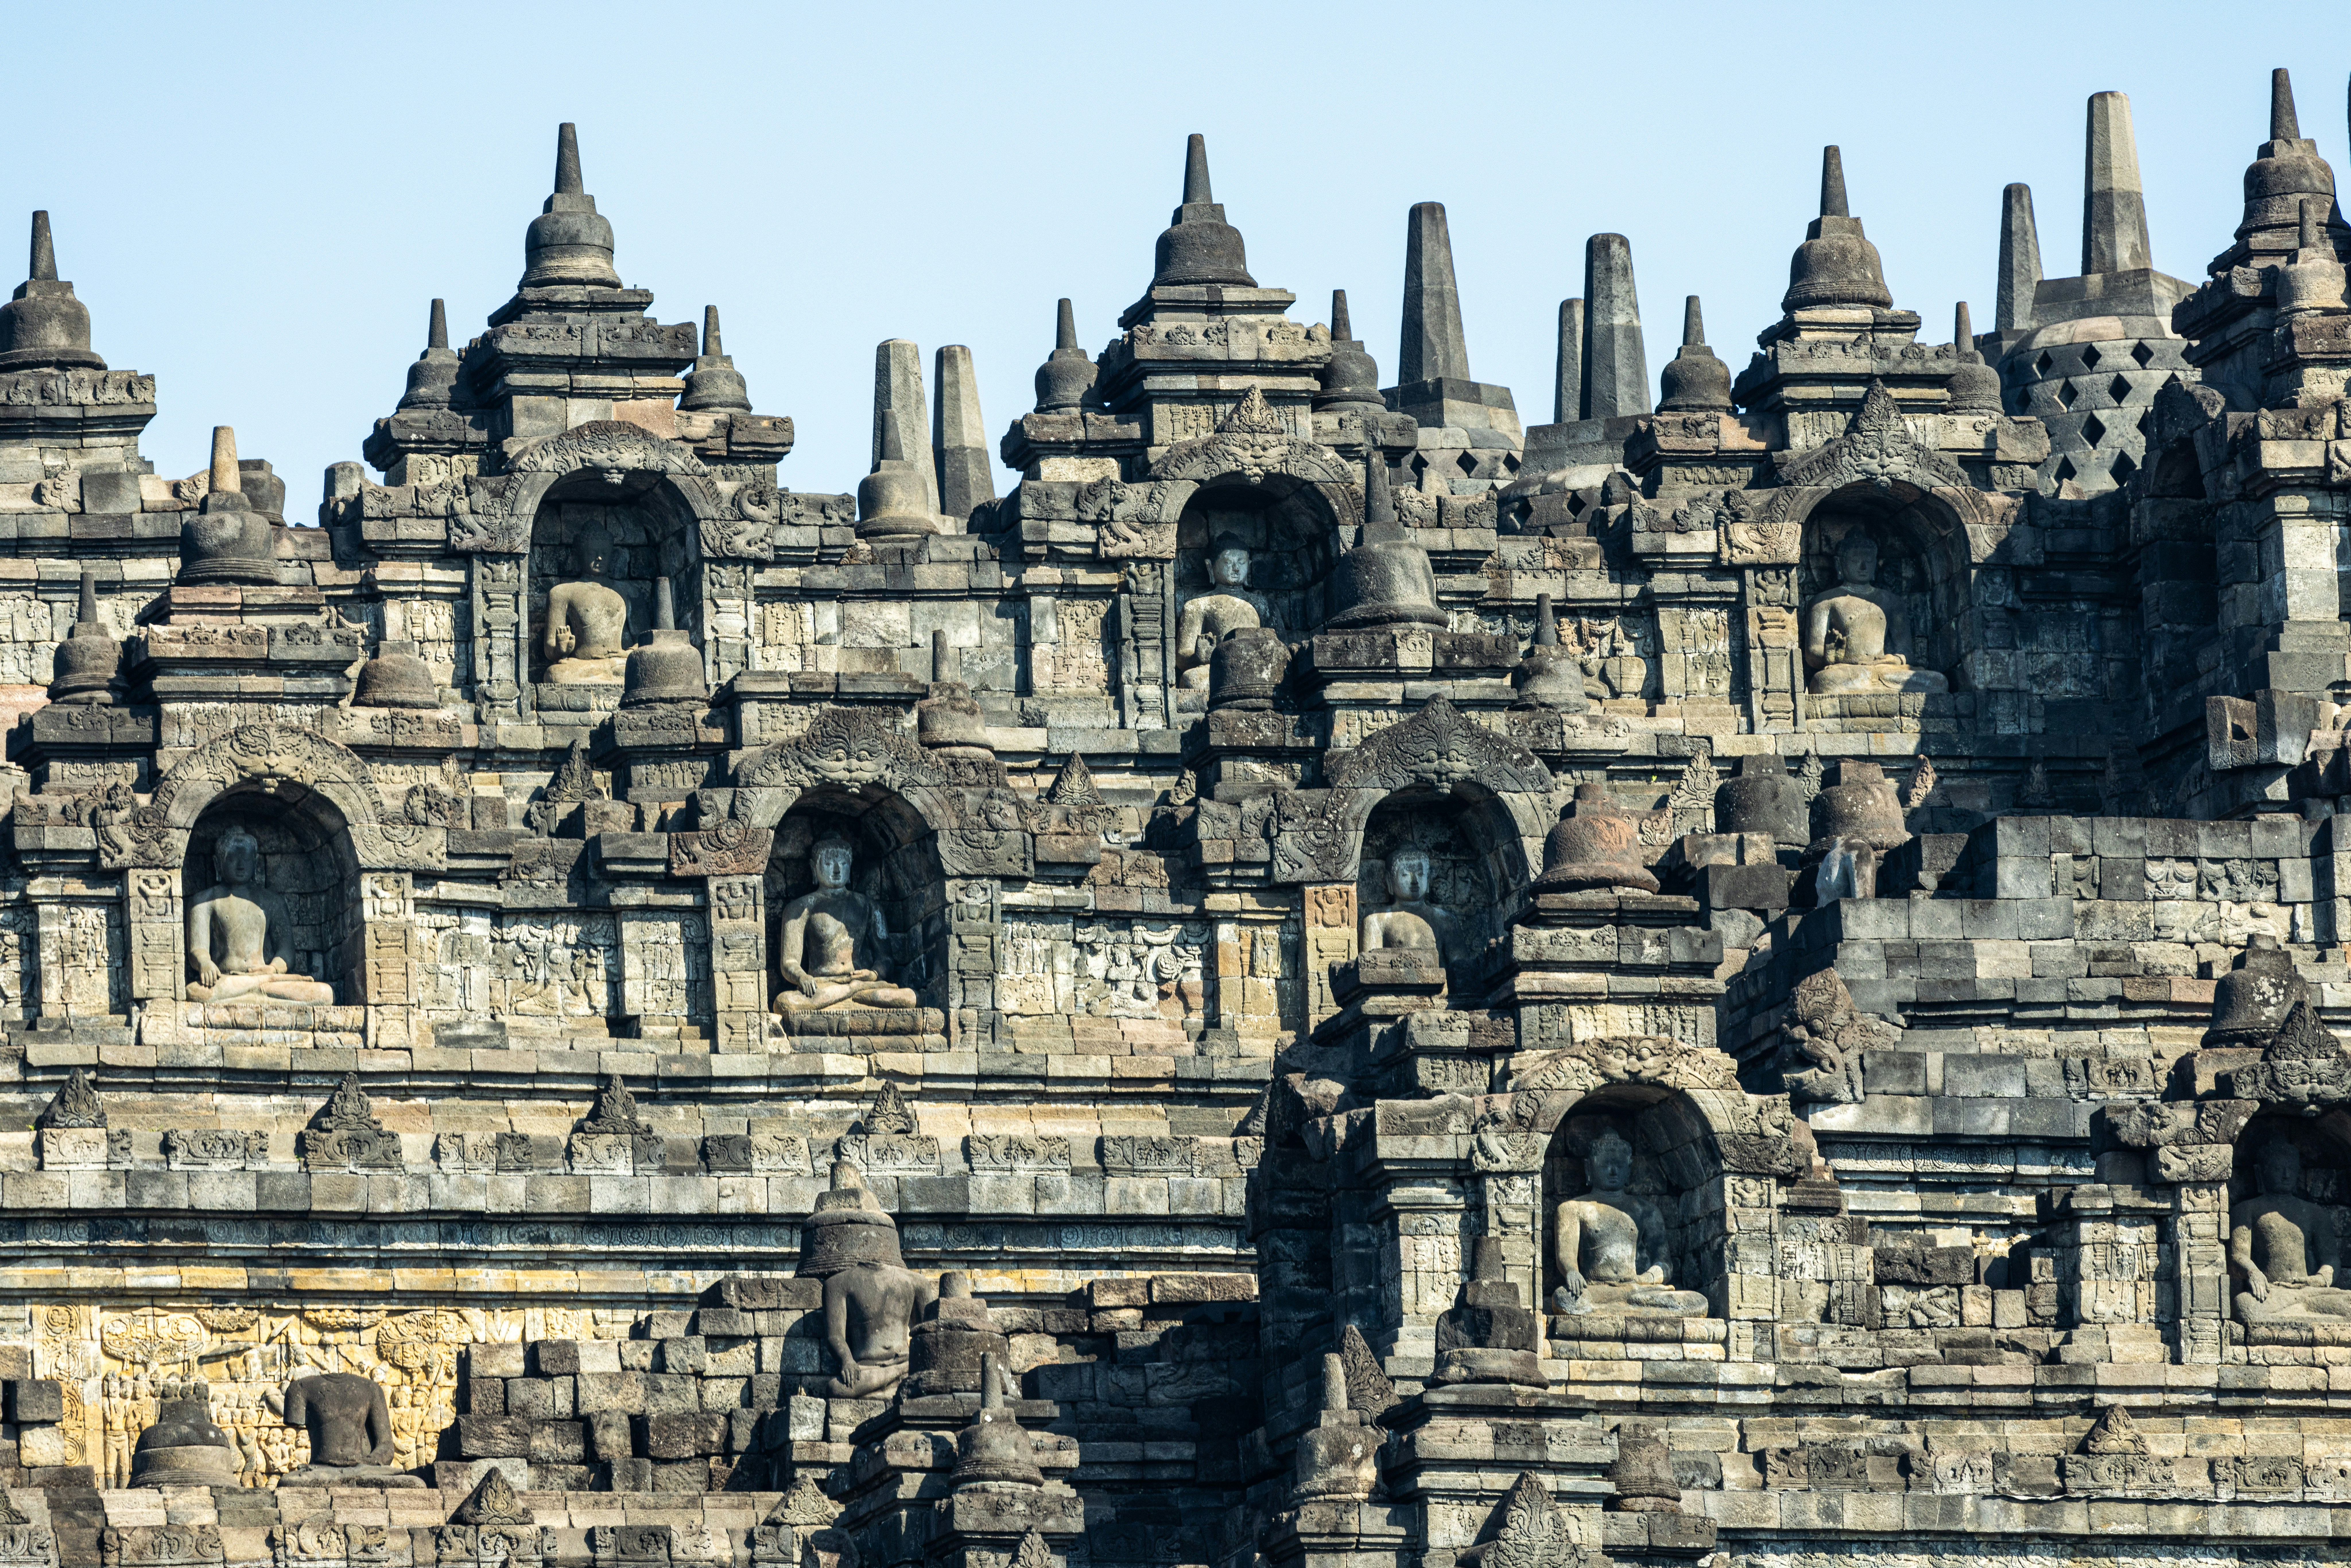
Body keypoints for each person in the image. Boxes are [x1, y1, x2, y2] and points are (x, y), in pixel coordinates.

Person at [185, 826, 335, 1004]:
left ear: (255, 862)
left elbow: (286, 952)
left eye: (246, 859)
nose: (241, 865)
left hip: (266, 979)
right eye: (233, 858)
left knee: (325, 993)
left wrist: (273, 969)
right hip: (228, 980)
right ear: (218, 863)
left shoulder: (272, 901)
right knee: (194, 993)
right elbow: (198, 949)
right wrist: (205, 963)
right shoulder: (204, 901)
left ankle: (254, 994)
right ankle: (261, 996)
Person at [772, 836, 918, 1013]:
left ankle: (850, 993)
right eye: (828, 864)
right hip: (823, 986)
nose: (836, 870)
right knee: (785, 1003)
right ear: (814, 868)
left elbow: (886, 958)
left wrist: (873, 975)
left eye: (843, 864)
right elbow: (789, 962)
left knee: (910, 998)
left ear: (851, 867)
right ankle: (850, 994)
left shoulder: (870, 907)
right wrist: (802, 977)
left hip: (862, 985)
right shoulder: (800, 909)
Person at [1800, 532, 1946, 695]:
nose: (1863, 567)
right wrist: (1830, 654)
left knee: (1938, 681)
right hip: (1848, 672)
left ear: (1876, 564)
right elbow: (1812, 654)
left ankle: (1872, 686)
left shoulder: (1892, 602)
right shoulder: (1824, 601)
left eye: (1869, 562)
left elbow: (1907, 653)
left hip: (1886, 671)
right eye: (1855, 561)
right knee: (1826, 681)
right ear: (1839, 564)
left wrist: (1895, 659)